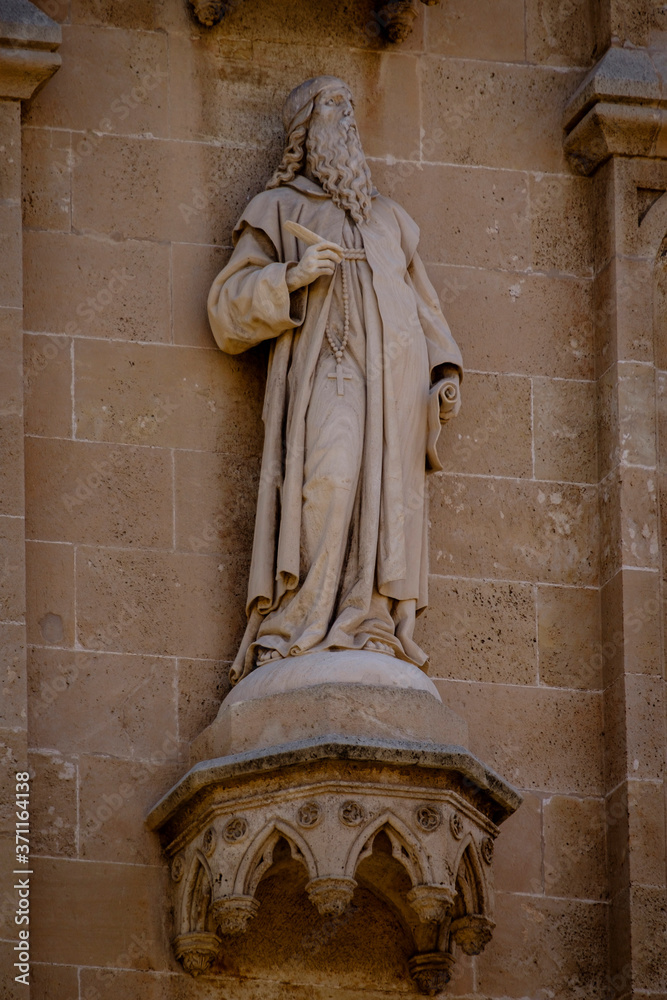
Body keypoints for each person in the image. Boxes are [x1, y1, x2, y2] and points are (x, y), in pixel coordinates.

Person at [208, 76, 462, 684]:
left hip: (394, 391)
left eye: (349, 104)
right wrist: (292, 277)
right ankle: (296, 622)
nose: (344, 114)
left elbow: (426, 310)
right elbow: (226, 309)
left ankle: (368, 620)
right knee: (329, 476)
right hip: (330, 371)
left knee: (383, 499)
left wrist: (443, 371)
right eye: (329, 104)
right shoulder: (279, 208)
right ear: (304, 129)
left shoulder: (389, 221)